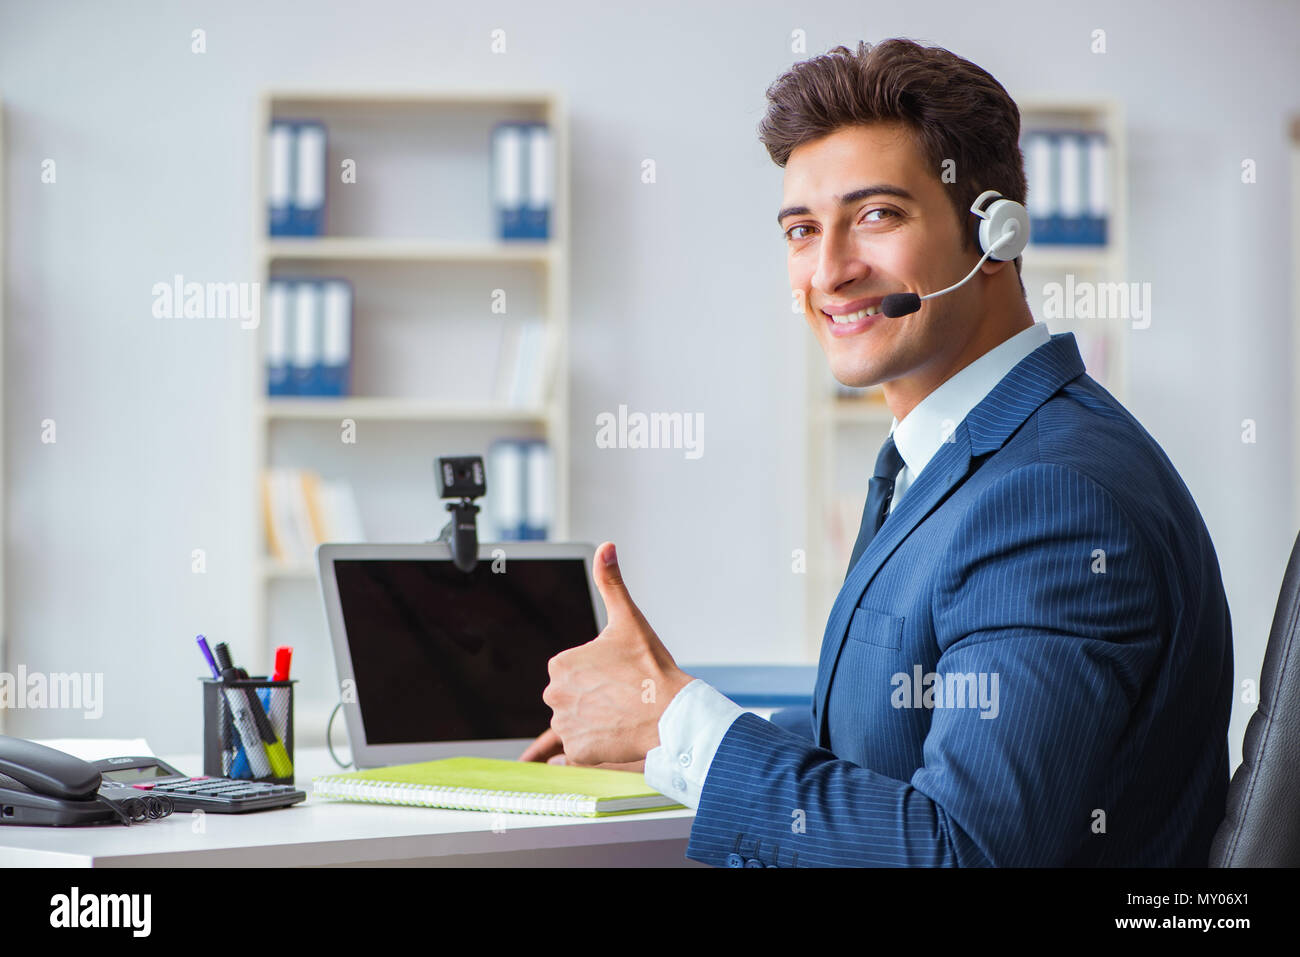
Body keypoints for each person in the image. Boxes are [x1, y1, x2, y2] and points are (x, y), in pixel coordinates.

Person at [521, 37, 1233, 867]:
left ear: (995, 232)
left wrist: (679, 725)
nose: (828, 271)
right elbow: (893, 742)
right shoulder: (942, 459)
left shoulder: (1050, 497)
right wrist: (654, 732)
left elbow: (964, 851)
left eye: (876, 215)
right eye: (800, 229)